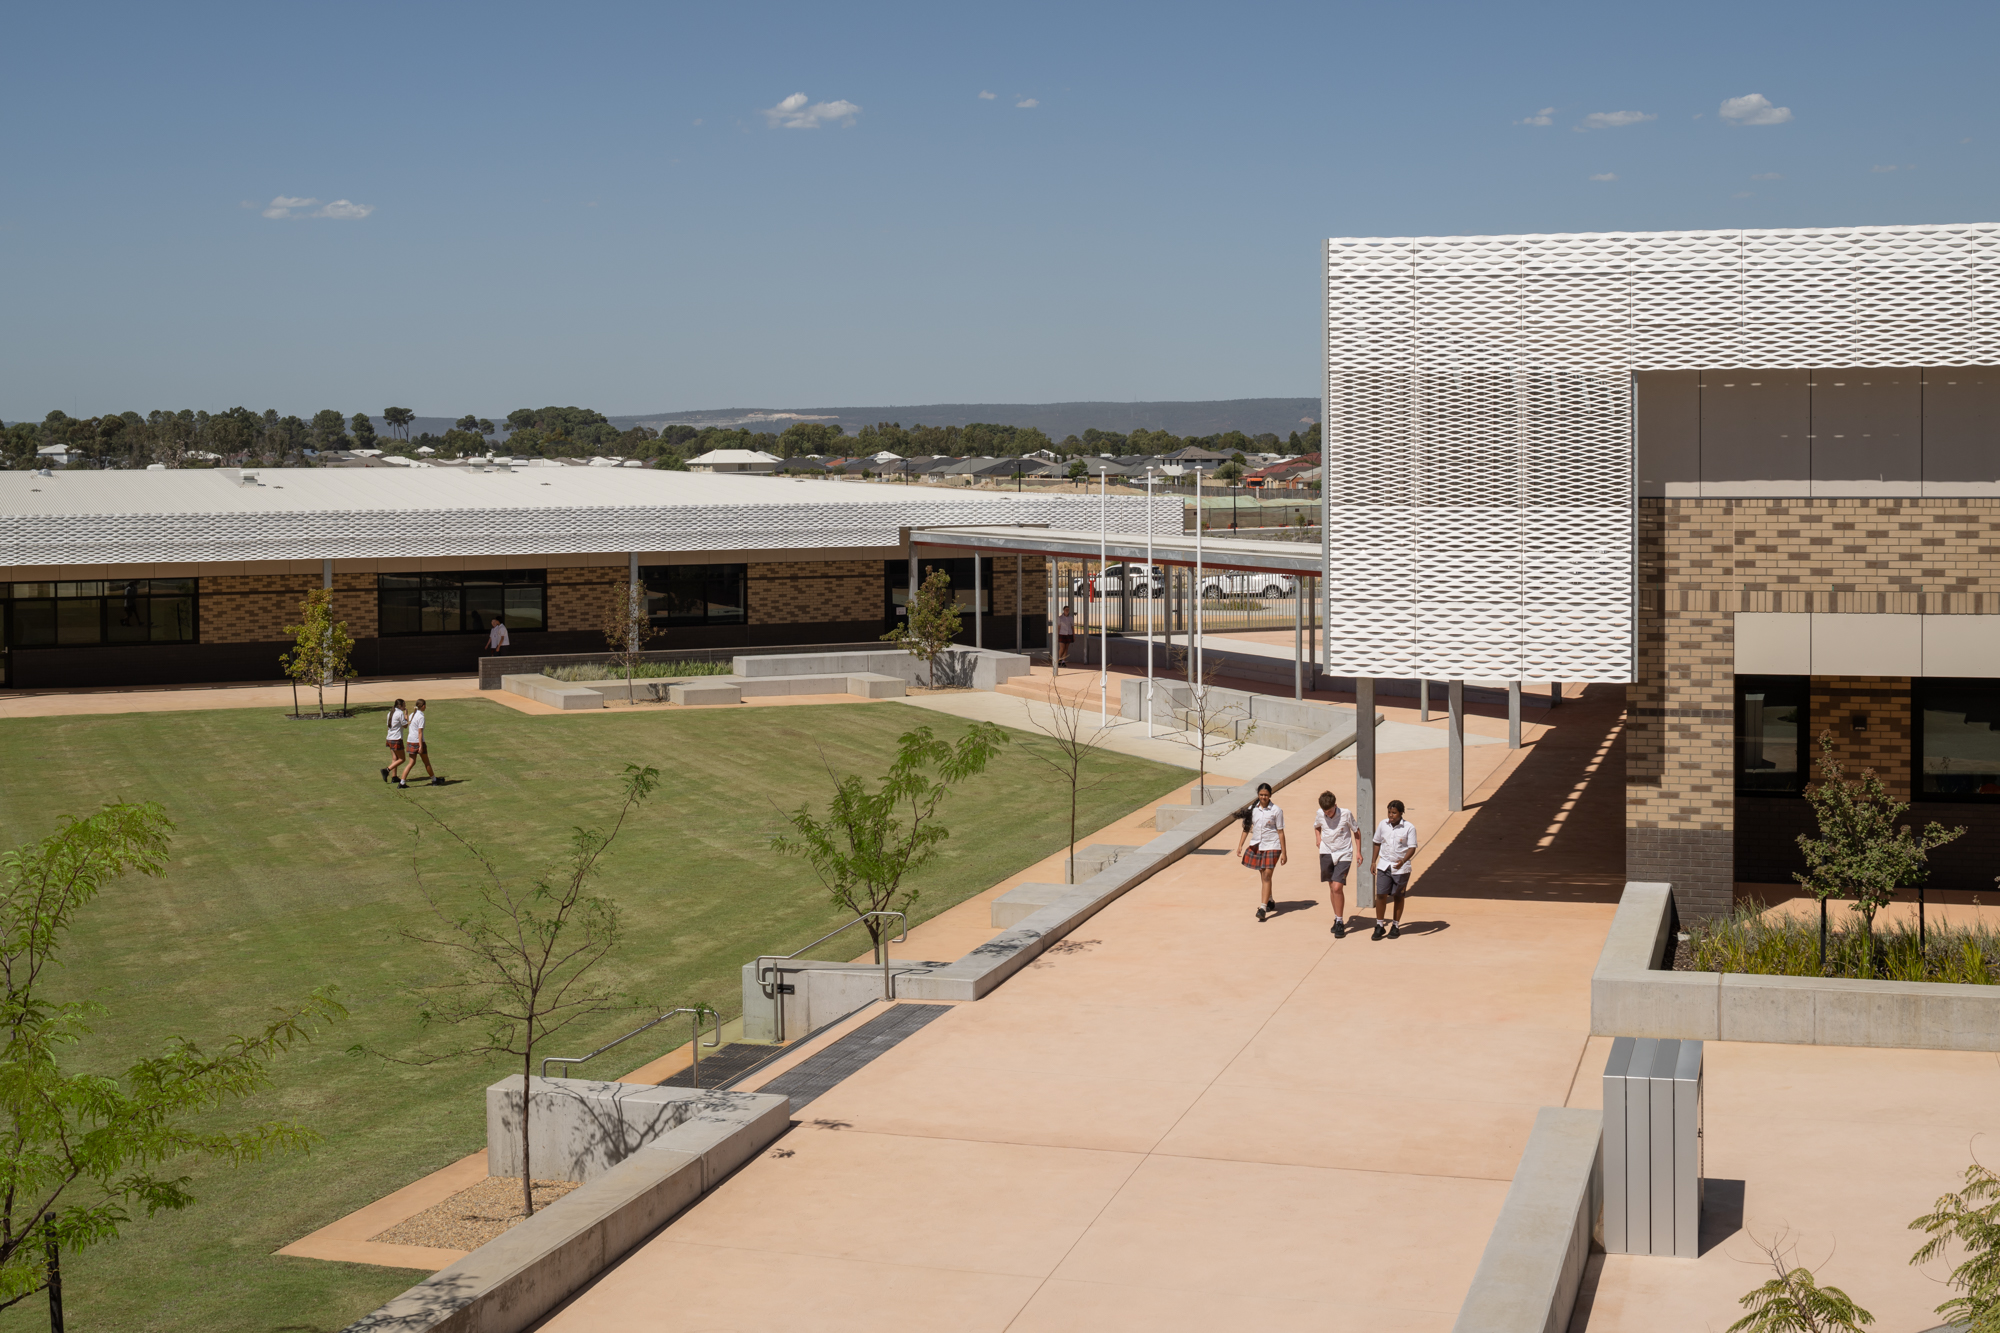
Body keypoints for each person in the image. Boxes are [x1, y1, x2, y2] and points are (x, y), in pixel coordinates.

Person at [1234, 781, 1286, 921]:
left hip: (1273, 845)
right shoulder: (1253, 809)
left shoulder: (1276, 810)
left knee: (1267, 876)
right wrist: (1240, 845)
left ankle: (1262, 908)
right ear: (1258, 795)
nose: (1263, 797)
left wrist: (1284, 852)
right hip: (1257, 845)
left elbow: (1280, 832)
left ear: (1270, 795)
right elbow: (1246, 827)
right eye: (1261, 795)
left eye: (1266, 795)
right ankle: (1269, 900)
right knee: (1263, 874)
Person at [1370, 800, 1418, 940]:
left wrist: (1403, 861)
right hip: (1384, 865)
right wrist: (1373, 861)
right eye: (1389, 812)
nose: (1391, 815)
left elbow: (1412, 847)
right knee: (1381, 895)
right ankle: (1379, 925)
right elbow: (1377, 842)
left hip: (1401, 869)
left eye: (1394, 813)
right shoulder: (1382, 825)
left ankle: (1395, 926)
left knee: (1398, 896)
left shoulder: (1409, 828)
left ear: (1401, 813)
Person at [1313, 789, 1358, 937]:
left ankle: (1340, 922)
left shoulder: (1346, 814)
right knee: (1332, 887)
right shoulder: (1320, 814)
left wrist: (1358, 852)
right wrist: (1318, 839)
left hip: (1344, 853)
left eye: (1330, 811)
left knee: (1338, 887)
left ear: (1335, 805)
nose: (1328, 814)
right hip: (1326, 852)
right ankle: (1337, 917)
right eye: (1326, 812)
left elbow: (1356, 831)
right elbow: (1317, 826)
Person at [395, 698, 440, 787]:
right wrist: (421, 746)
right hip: (417, 742)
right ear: (423, 706)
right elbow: (420, 732)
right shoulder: (421, 717)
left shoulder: (412, 714)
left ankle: (402, 782)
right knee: (426, 762)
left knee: (411, 763)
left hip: (410, 741)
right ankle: (434, 780)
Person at [381, 698, 408, 783]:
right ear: (400, 706)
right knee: (402, 759)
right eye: (404, 705)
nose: (405, 706)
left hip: (389, 738)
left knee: (395, 758)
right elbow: (405, 725)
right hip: (396, 739)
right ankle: (387, 770)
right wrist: (406, 715)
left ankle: (394, 777)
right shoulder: (400, 713)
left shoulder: (390, 713)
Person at [1055, 602, 1076, 666]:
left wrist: (1073, 635)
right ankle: (1059, 659)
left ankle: (1064, 661)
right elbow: (1058, 627)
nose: (1067, 611)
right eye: (1066, 609)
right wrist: (1057, 635)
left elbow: (1072, 627)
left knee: (1066, 648)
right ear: (1063, 610)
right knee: (1062, 647)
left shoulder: (1071, 618)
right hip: (1062, 634)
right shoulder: (1060, 618)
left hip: (1069, 634)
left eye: (1068, 610)